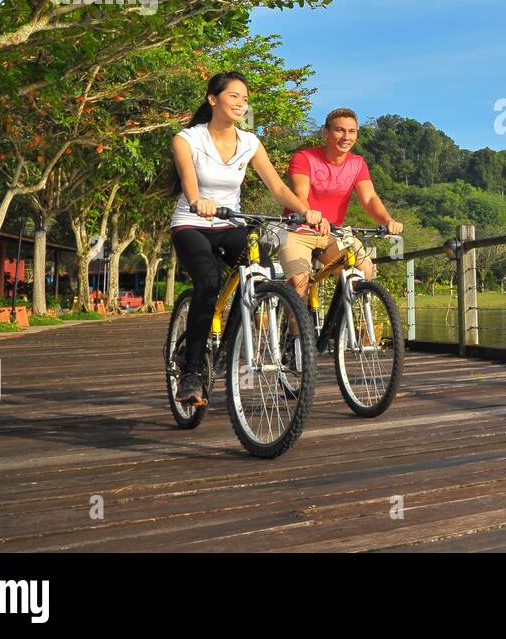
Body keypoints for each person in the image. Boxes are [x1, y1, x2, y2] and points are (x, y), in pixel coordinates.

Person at [169, 71, 322, 406]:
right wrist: (198, 201)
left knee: (260, 273)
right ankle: (191, 370)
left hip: (229, 225)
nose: (241, 103)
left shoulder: (250, 142)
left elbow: (279, 188)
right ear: (213, 99)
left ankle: (234, 346)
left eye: (244, 98)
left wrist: (308, 212)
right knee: (208, 281)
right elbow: (188, 179)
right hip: (192, 224)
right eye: (233, 96)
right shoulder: (187, 139)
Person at [276, 107, 403, 301]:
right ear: (325, 133)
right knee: (300, 283)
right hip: (297, 231)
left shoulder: (357, 163)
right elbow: (300, 192)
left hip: (333, 233)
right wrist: (310, 215)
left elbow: (369, 198)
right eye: (339, 130)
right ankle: (295, 332)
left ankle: (342, 324)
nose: (346, 137)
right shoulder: (304, 158)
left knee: (363, 268)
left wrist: (388, 220)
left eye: (352, 131)